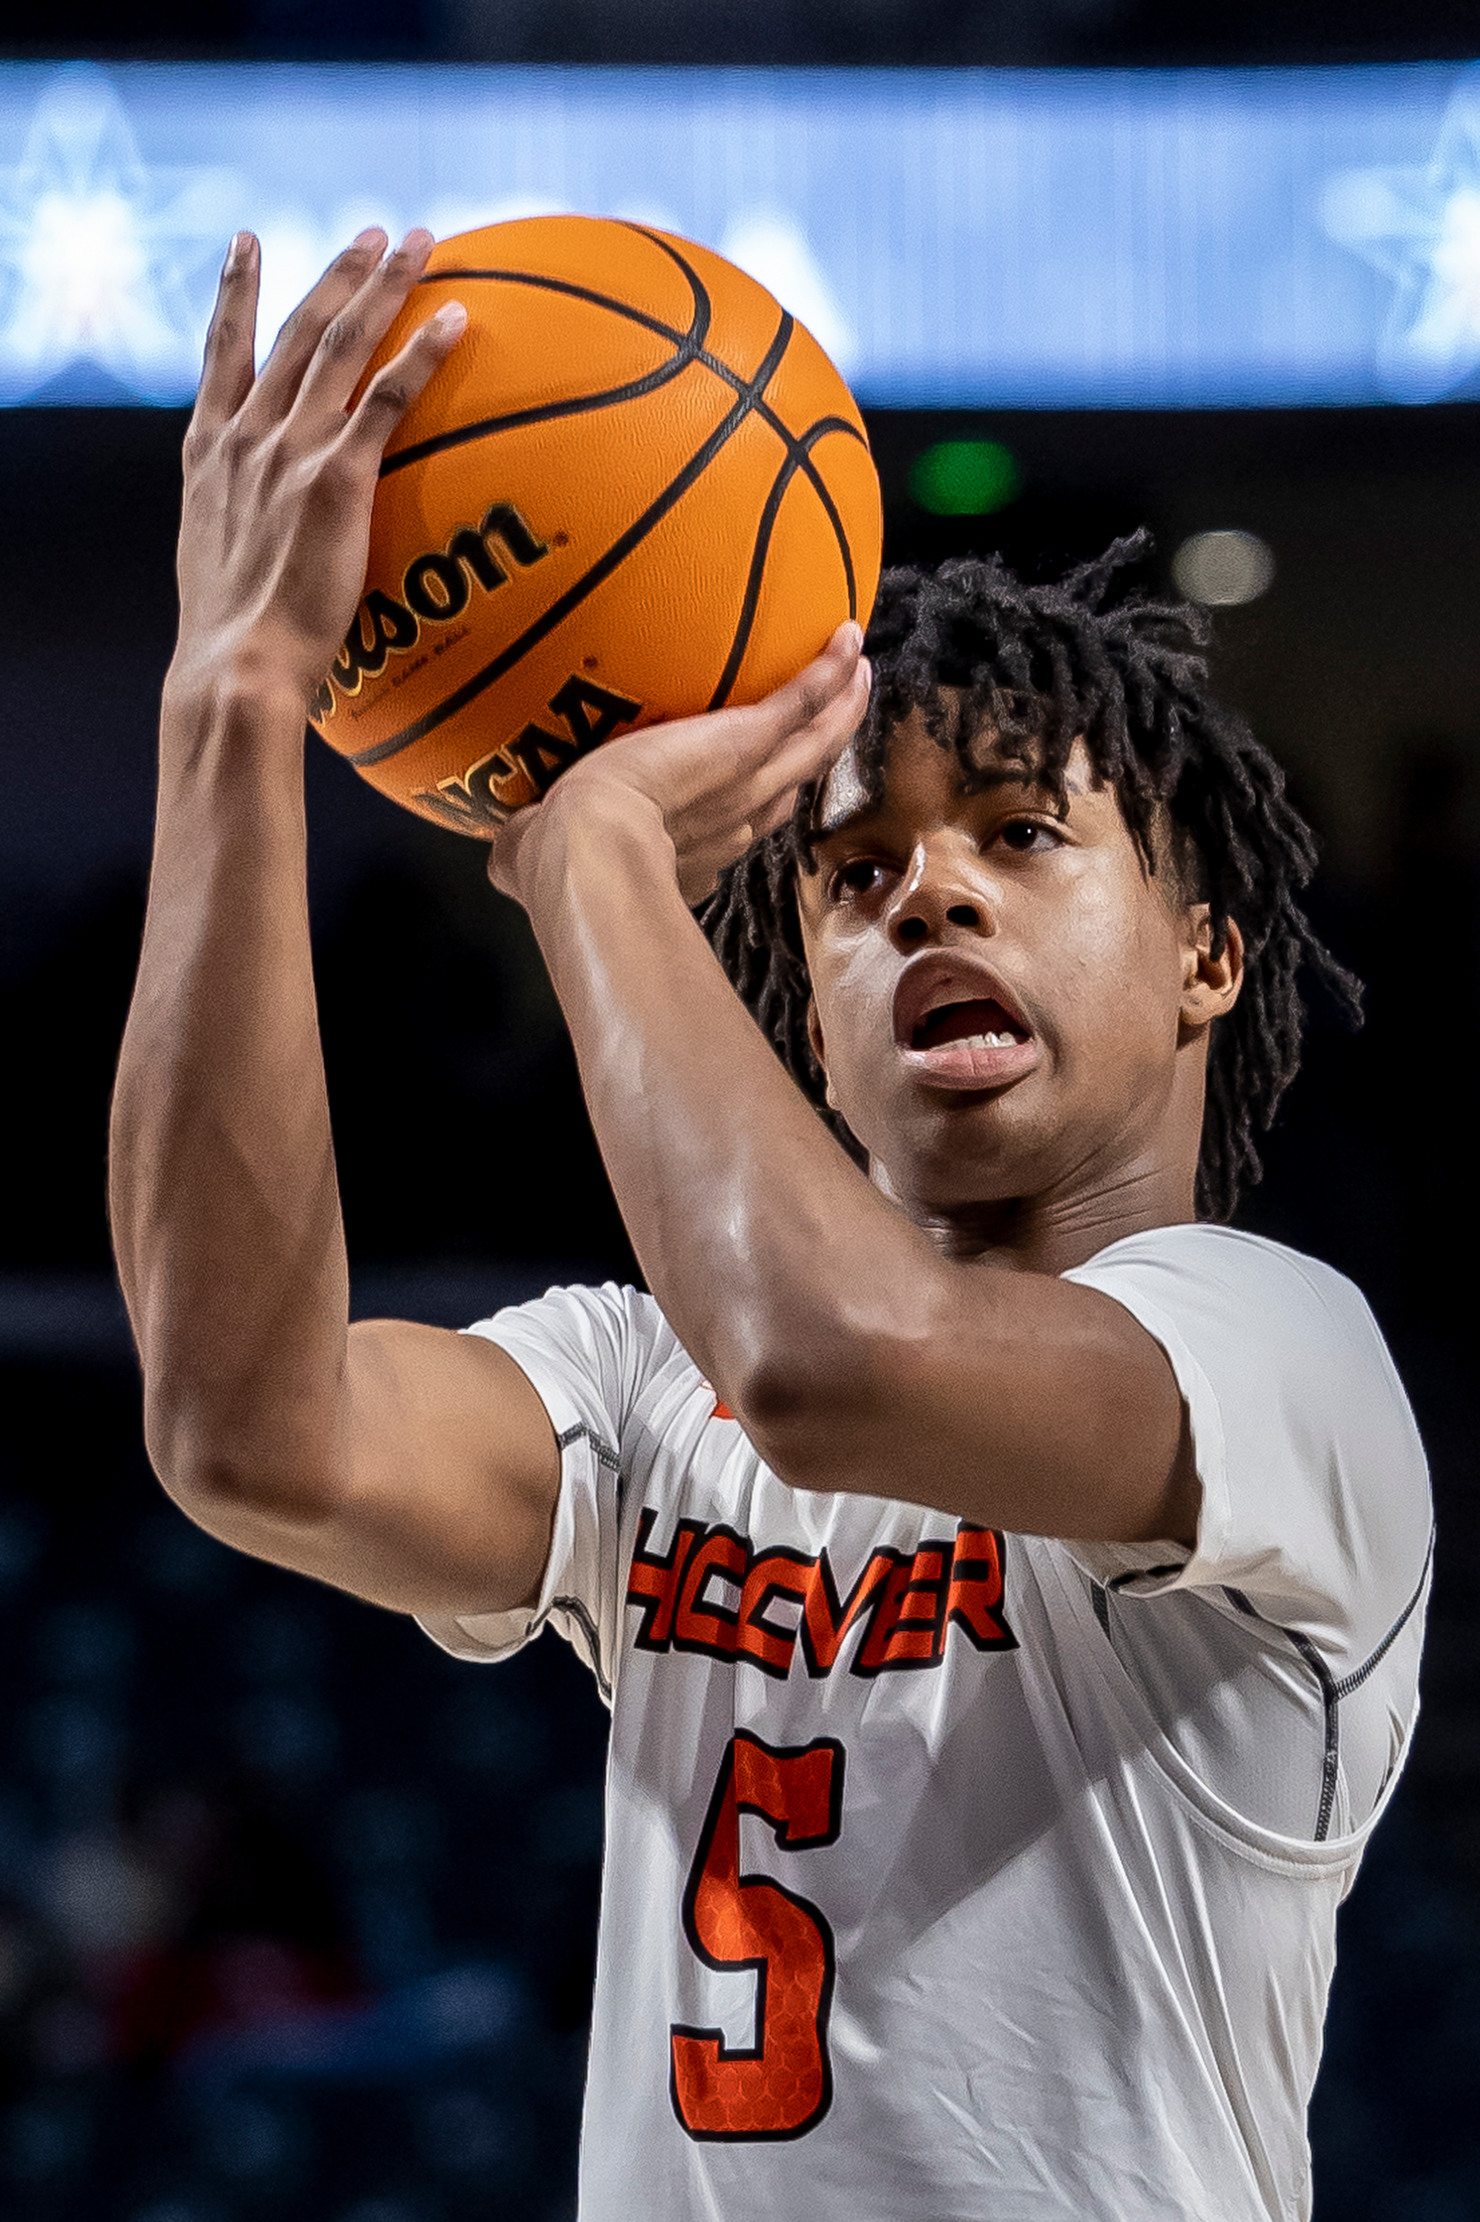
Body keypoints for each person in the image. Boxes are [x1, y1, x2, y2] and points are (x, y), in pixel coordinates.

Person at [110, 227, 1432, 2222]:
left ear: (1205, 953)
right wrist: (232, 708)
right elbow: (243, 1426)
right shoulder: (644, 1392)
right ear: (802, 1009)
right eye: (850, 871)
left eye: (1017, 833)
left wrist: (589, 853)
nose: (928, 896)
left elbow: (828, 1360)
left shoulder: (1280, 1356)